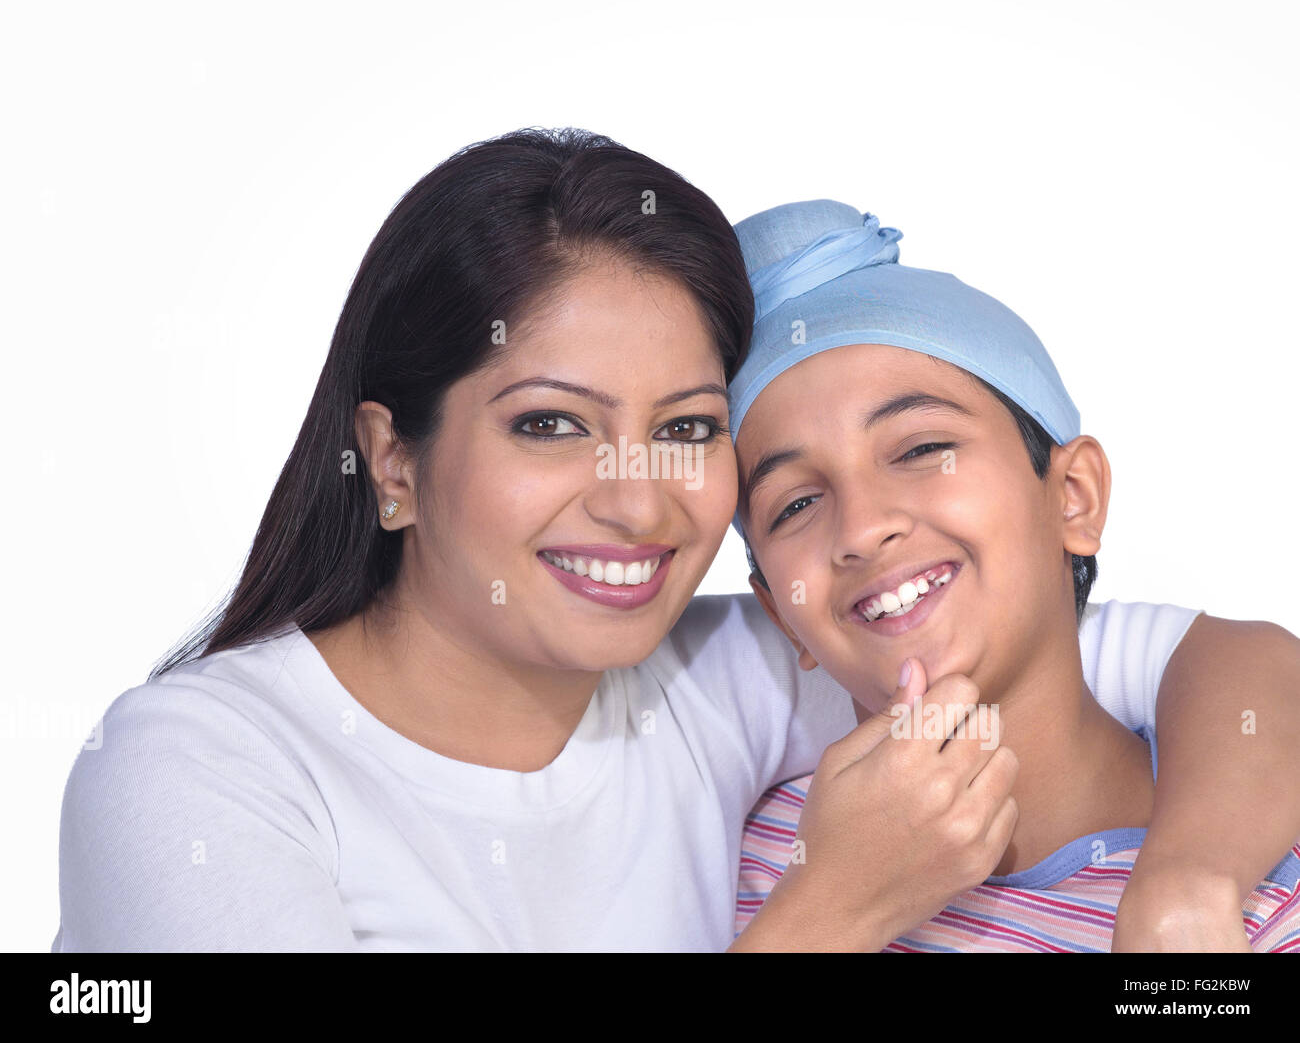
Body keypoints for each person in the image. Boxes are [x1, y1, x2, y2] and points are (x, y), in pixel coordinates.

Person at [52, 131, 1300, 952]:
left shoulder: (719, 677)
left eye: (686, 430)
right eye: (550, 423)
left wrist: (1187, 890)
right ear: (392, 462)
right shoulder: (197, 775)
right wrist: (835, 908)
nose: (639, 504)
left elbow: (1205, 664)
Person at [728, 200, 1300, 951]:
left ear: (1073, 496)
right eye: (796, 502)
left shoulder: (1255, 910)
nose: (863, 527)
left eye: (921, 446)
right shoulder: (741, 859)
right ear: (779, 612)